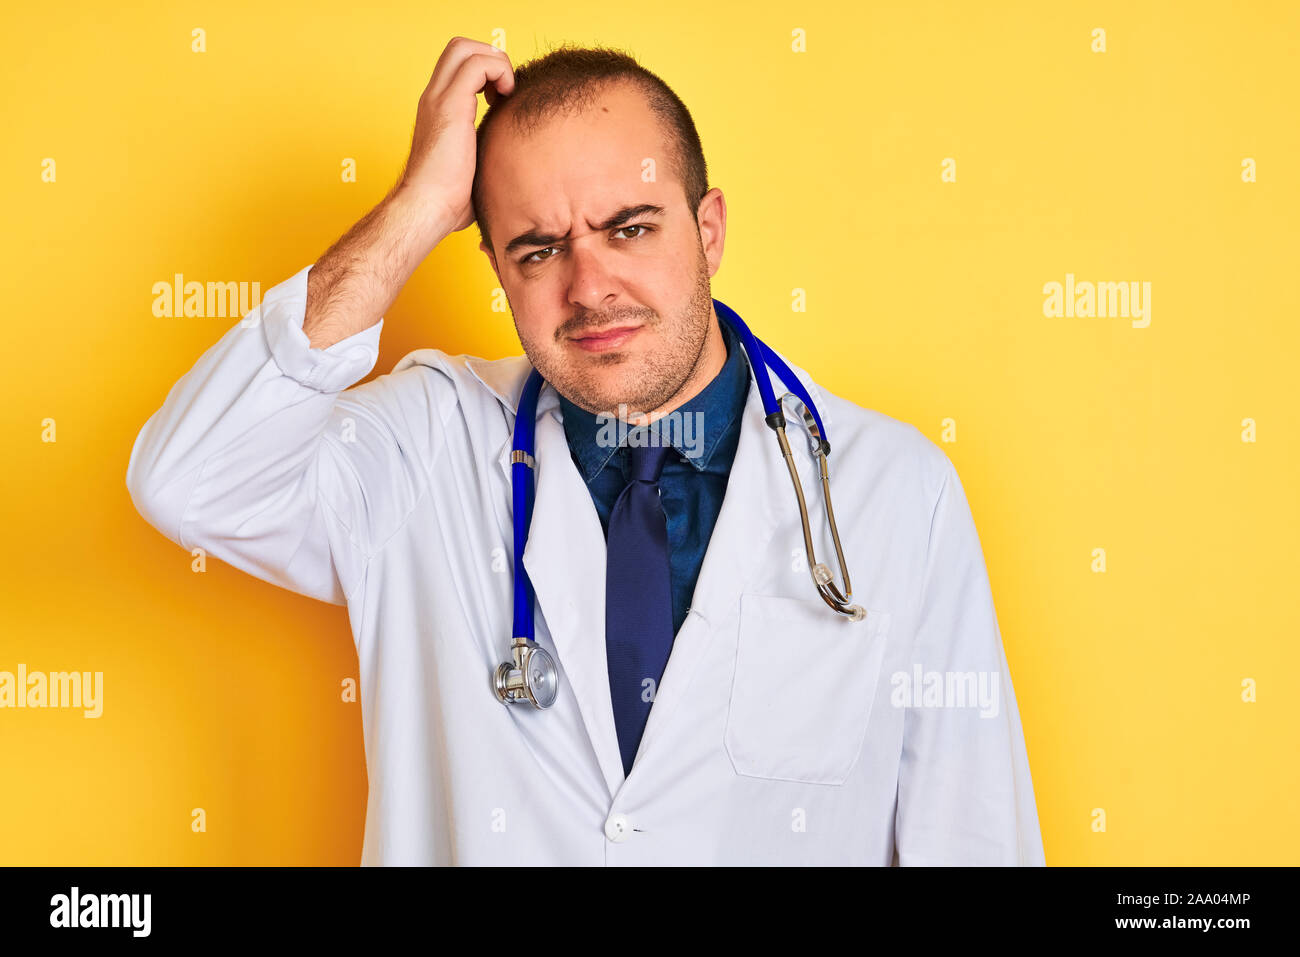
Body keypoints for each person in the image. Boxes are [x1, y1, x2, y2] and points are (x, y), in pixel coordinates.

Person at [126, 36, 1046, 866]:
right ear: (495, 267)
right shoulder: (425, 447)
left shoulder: (893, 491)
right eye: (536, 249)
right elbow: (188, 479)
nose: (590, 285)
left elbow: (974, 838)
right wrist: (418, 206)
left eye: (631, 227)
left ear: (710, 230)